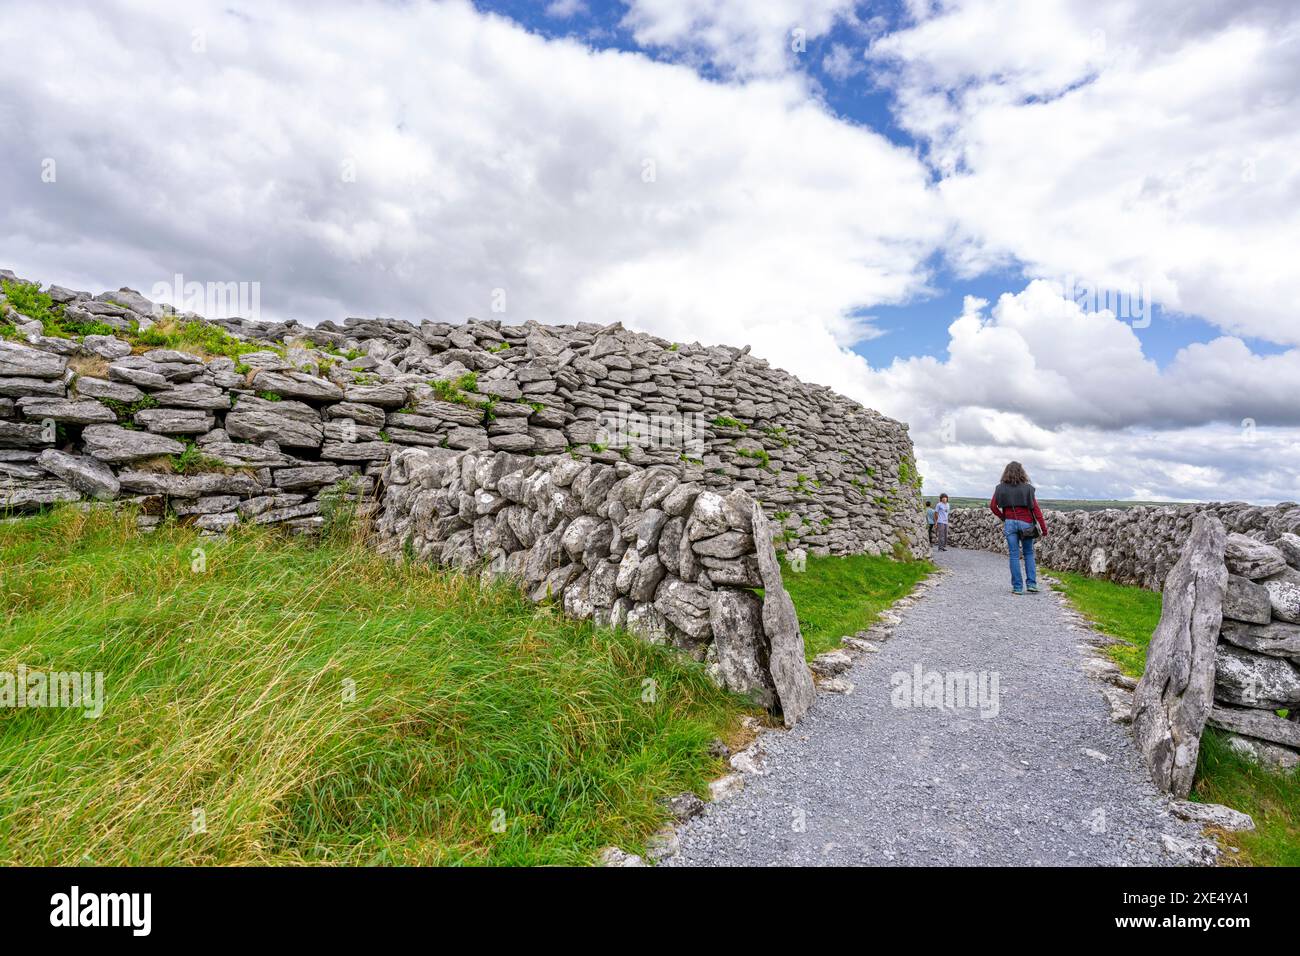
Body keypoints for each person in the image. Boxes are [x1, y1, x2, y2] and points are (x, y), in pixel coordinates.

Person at [989, 461, 1048, 594]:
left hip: (1010, 522)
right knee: (1028, 554)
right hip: (1027, 523)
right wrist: (1043, 528)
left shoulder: (1000, 488)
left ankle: (1017, 587)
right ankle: (1032, 584)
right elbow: (1036, 509)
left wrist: (1003, 516)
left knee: (1014, 556)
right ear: (1022, 472)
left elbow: (993, 506)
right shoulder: (1028, 488)